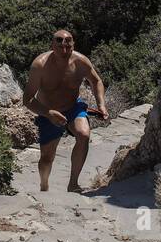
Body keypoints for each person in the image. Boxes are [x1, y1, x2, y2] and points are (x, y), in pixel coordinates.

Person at [22, 29, 109, 193]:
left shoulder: (81, 62)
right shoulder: (40, 65)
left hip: (72, 107)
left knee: (84, 135)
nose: (64, 47)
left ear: (73, 44)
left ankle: (73, 184)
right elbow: (27, 99)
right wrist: (48, 113)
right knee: (47, 158)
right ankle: (44, 184)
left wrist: (101, 104)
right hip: (48, 112)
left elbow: (96, 81)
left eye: (68, 42)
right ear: (52, 45)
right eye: (59, 42)